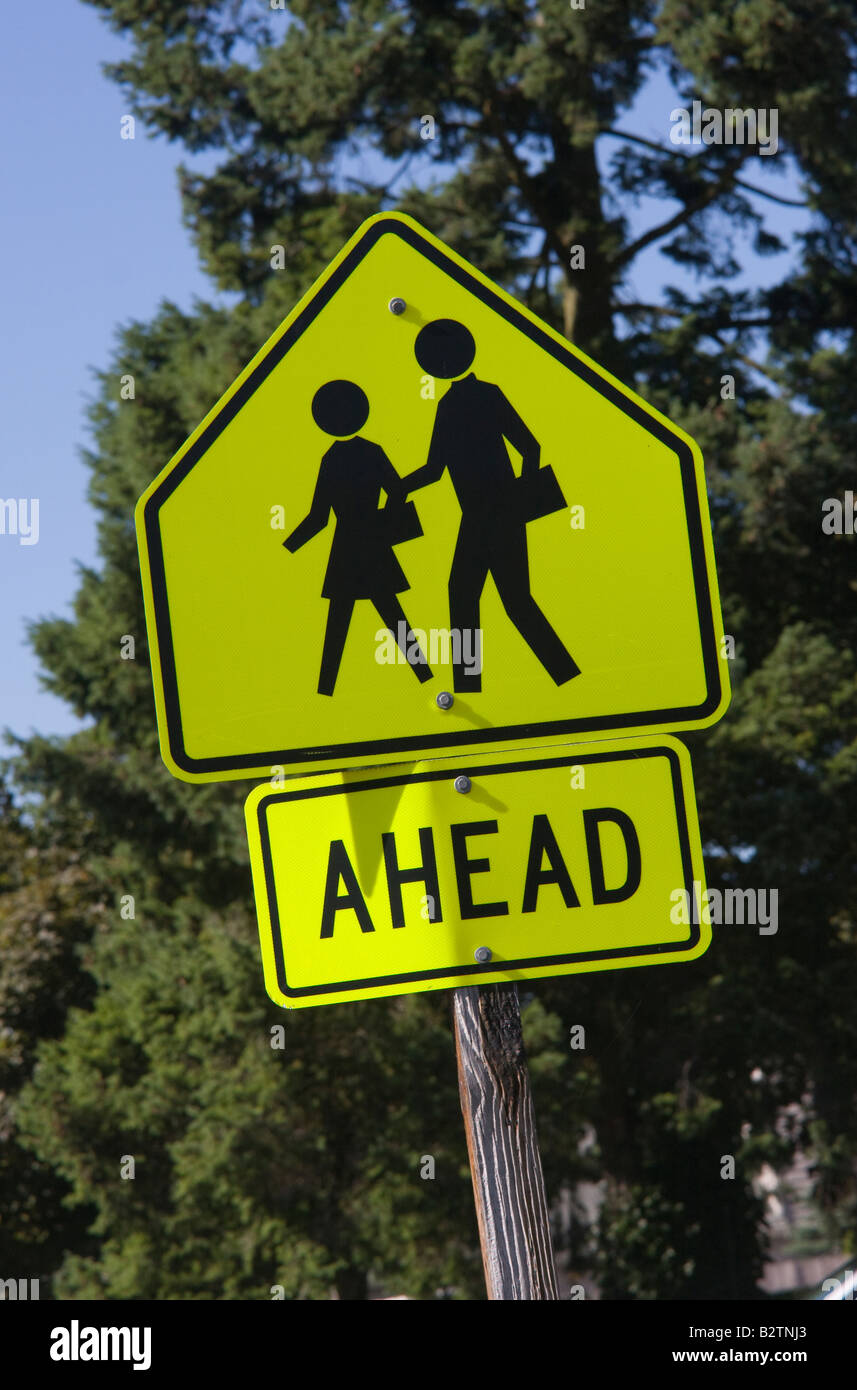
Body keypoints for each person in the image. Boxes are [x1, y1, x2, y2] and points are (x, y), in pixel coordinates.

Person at [404, 319, 579, 693]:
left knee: (491, 598)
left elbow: (526, 448)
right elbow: (439, 469)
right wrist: (399, 487)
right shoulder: (464, 400)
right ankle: (554, 677)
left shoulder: (467, 400)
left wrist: (519, 499)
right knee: (492, 598)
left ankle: (558, 678)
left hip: (492, 515)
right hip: (488, 517)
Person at [284, 379, 432, 696]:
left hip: (347, 548)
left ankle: (325, 690)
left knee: (340, 620)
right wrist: (383, 524)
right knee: (392, 615)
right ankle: (425, 677)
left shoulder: (331, 459)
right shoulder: (372, 452)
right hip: (373, 542)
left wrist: (289, 546)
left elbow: (319, 518)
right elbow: (397, 492)